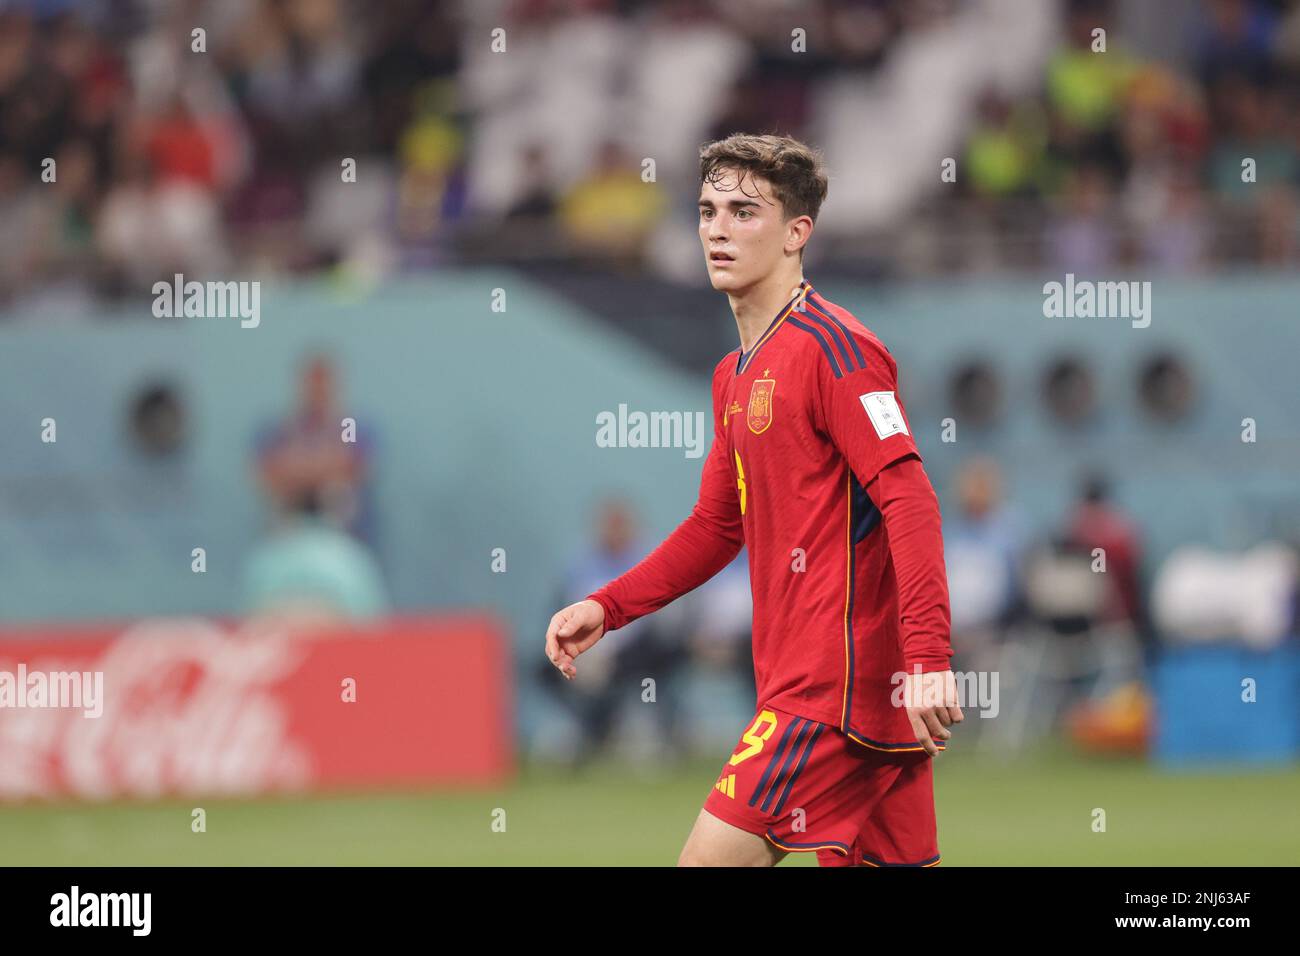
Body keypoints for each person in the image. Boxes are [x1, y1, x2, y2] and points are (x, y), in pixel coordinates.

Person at [543, 133, 960, 867]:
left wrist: (929, 657)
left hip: (830, 692)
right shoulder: (733, 376)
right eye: (707, 211)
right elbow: (715, 527)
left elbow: (911, 501)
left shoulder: (839, 350)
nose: (718, 229)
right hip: (855, 703)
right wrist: (607, 608)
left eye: (744, 212)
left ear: (798, 232)